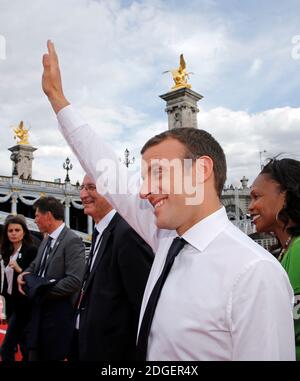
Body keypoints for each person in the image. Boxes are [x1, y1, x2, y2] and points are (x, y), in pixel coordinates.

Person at [42, 40, 295, 360]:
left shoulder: (255, 273)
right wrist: (58, 100)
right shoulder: (164, 237)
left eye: (158, 173)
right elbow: (110, 172)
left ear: (201, 171)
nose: (145, 190)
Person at [69, 175, 153, 361]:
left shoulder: (127, 234)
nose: (83, 194)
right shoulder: (101, 231)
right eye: (82, 187)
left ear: (113, 194)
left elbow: (143, 306)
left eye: (91, 187)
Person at [17, 196, 85, 361]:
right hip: (39, 314)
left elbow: (74, 281)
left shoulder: (73, 241)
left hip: (56, 320)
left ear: (48, 215)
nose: (35, 220)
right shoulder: (47, 240)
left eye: (37, 215)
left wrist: (40, 290)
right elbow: (34, 266)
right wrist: (22, 275)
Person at [249, 158, 300, 360]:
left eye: (256, 197)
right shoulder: (286, 249)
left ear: (285, 197)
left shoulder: (297, 251)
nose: (250, 207)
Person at [0, 215, 38, 361]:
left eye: (17, 230)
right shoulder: (8, 251)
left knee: (7, 348)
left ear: (24, 232)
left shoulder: (31, 250)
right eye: (10, 231)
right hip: (11, 303)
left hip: (24, 305)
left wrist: (18, 269)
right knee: (23, 345)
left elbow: (32, 278)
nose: (13, 233)